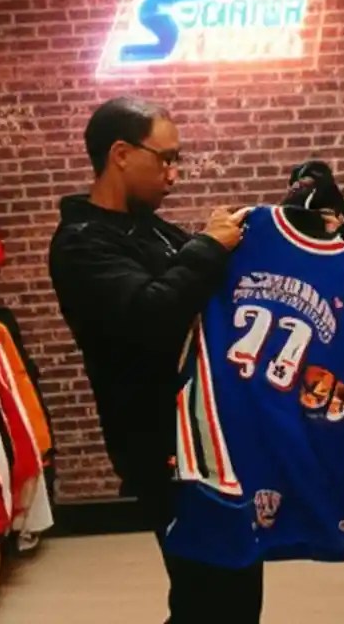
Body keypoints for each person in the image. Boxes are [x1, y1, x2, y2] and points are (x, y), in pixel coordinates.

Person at [47, 97, 262, 623]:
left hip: (206, 440)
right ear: (120, 153)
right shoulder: (81, 244)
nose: (175, 173)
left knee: (230, 591)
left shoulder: (153, 230)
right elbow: (151, 315)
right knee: (209, 597)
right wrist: (209, 247)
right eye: (164, 159)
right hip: (160, 447)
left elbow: (202, 291)